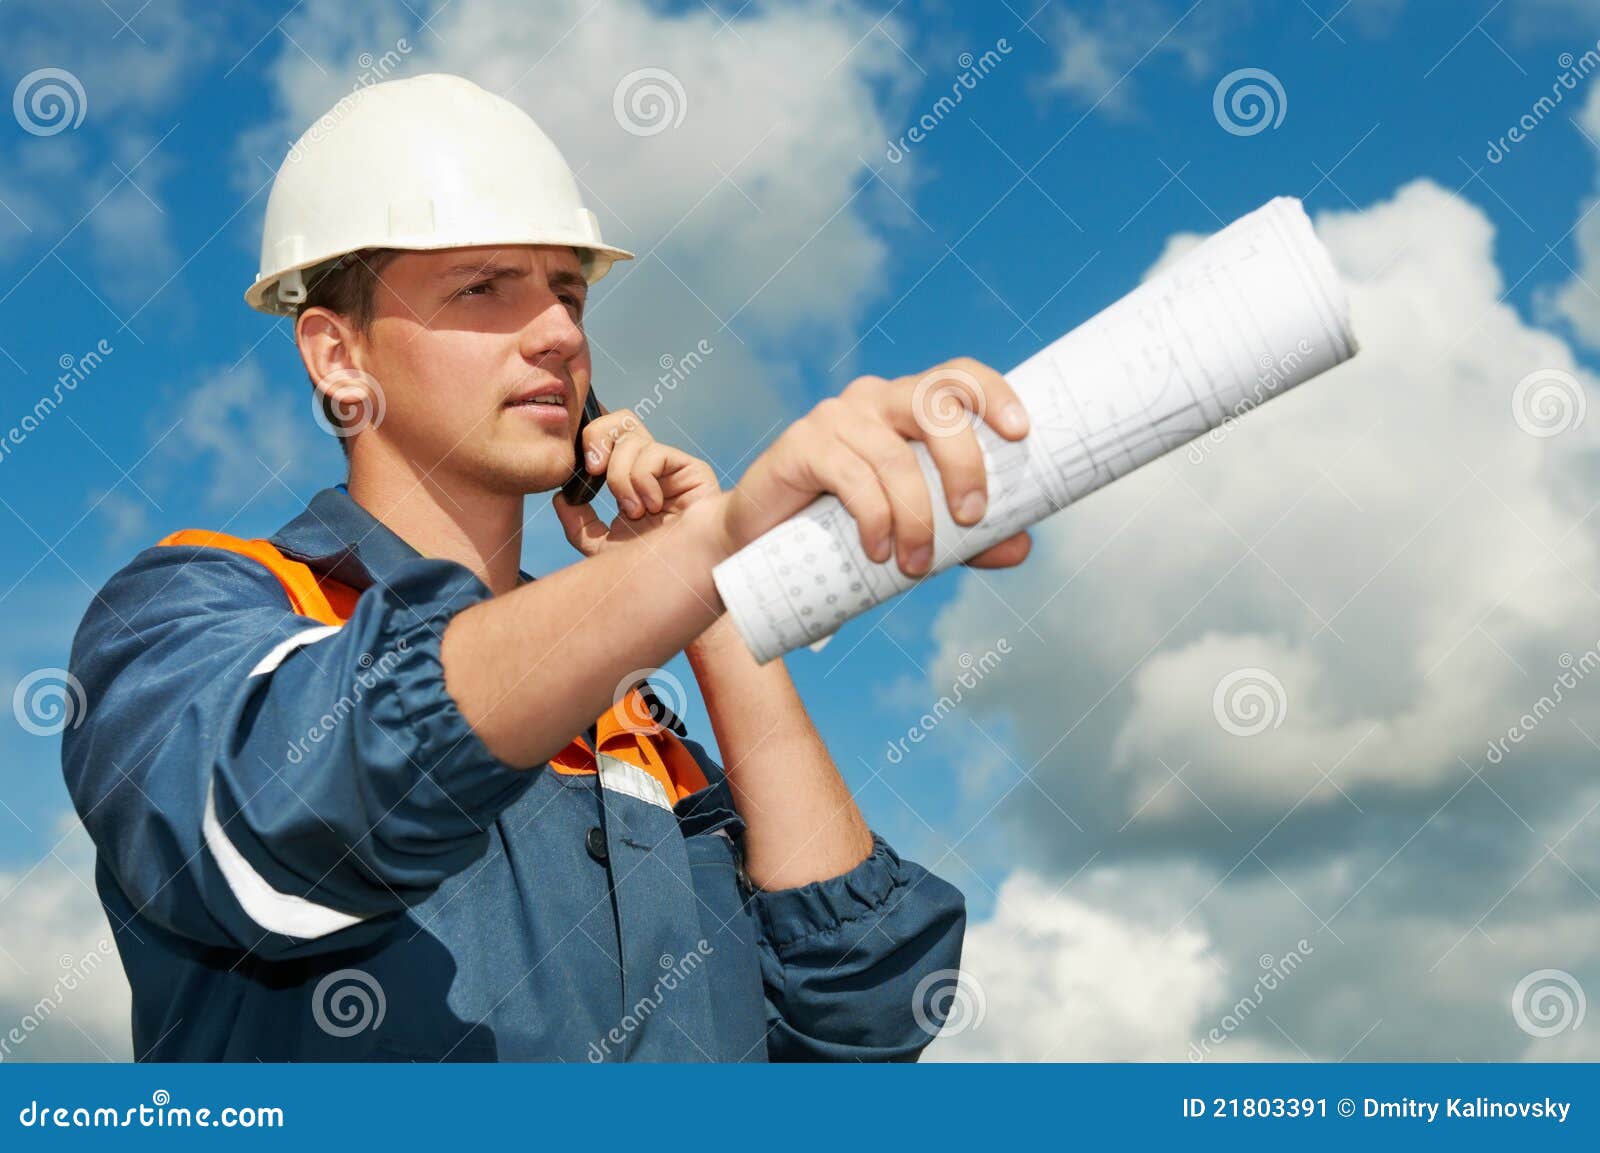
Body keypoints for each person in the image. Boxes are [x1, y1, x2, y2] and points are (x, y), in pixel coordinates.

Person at [61, 73, 1034, 1061]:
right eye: (483, 287)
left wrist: (710, 599)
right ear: (338, 357)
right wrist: (709, 549)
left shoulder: (637, 730)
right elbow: (281, 817)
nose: (563, 334)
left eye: (568, 293)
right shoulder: (199, 606)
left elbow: (864, 1011)